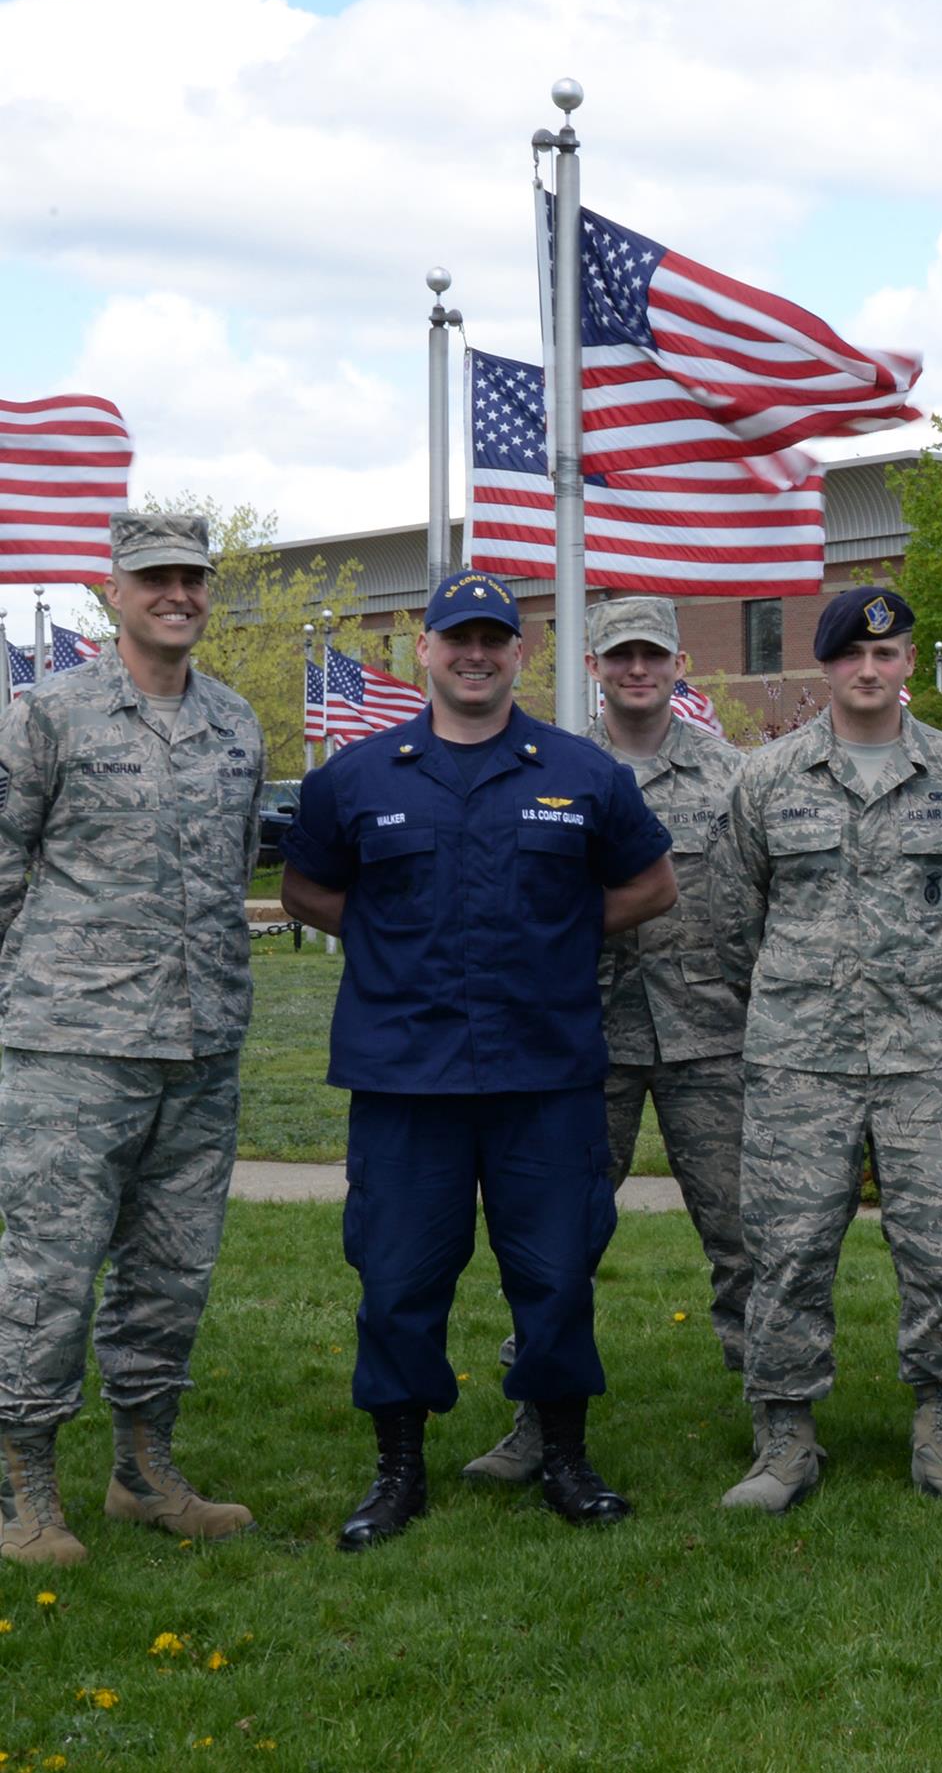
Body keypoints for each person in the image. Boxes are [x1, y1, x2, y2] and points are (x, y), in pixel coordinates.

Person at [280, 570, 676, 1549]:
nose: (476, 652)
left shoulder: (581, 771)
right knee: (399, 1274)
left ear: (519, 652)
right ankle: (399, 1467)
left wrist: (560, 938)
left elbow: (651, 884)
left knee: (555, 1273)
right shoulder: (357, 777)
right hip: (405, 1073)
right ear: (424, 647)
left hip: (544, 1071)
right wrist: (392, 953)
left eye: (494, 637)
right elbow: (307, 890)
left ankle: (564, 1454)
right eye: (457, 635)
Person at [0, 515, 264, 1568]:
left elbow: (234, 865)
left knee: (172, 1271)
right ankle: (25, 1489)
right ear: (112, 590)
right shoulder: (45, 714)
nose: (177, 593)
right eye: (155, 576)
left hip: (199, 1051)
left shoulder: (238, 723)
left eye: (192, 578)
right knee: (46, 1273)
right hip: (71, 1048)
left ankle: (144, 1471)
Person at [714, 585, 942, 1514]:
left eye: (888, 655)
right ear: (827, 665)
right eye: (852, 655)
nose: (871, 670)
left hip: (932, 1059)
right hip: (803, 1059)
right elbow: (734, 923)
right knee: (788, 1248)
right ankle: (785, 1437)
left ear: (910, 663)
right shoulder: (767, 779)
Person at [462, 596, 754, 1483]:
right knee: (559, 1239)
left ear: (677, 668)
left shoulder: (733, 774)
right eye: (621, 655)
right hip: (583, 1039)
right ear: (594, 665)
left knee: (746, 1237)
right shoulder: (549, 767)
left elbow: (761, 898)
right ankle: (534, 1420)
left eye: (652, 656)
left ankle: (775, 1415)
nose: (638, 670)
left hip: (713, 1035)